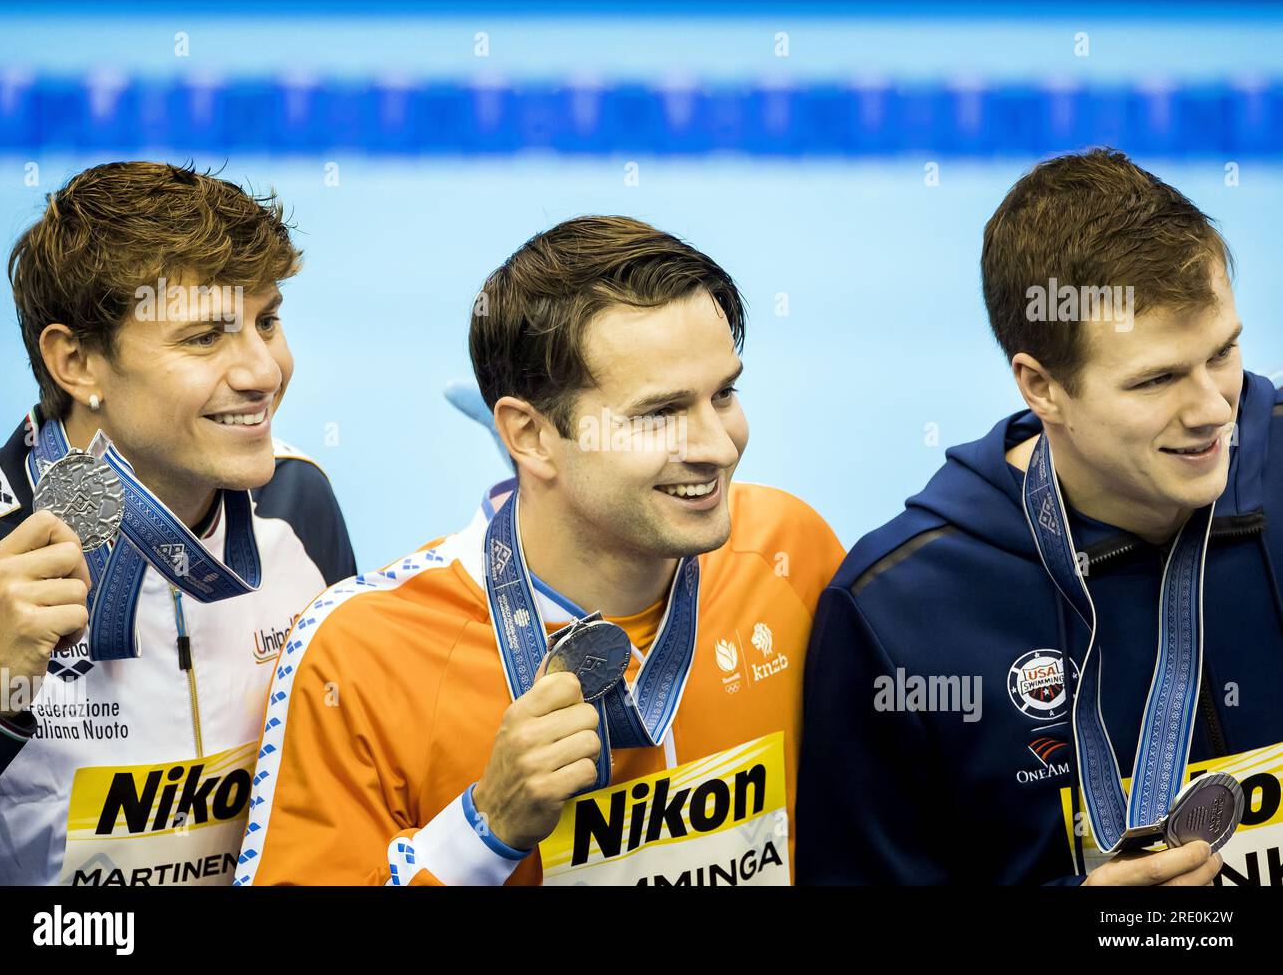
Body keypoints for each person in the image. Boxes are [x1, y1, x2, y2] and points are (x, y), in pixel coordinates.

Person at [235, 215, 844, 885]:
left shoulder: (788, 552)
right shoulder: (362, 653)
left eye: (723, 394)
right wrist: (482, 834)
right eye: (659, 414)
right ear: (527, 436)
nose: (719, 447)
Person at [798, 148, 1283, 886]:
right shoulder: (901, 611)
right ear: (1041, 387)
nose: (1215, 410)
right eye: (1157, 379)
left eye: (1223, 354)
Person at [0, 162, 355, 885]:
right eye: (205, 338)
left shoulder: (299, 503)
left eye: (267, 321)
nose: (263, 372)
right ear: (76, 361)